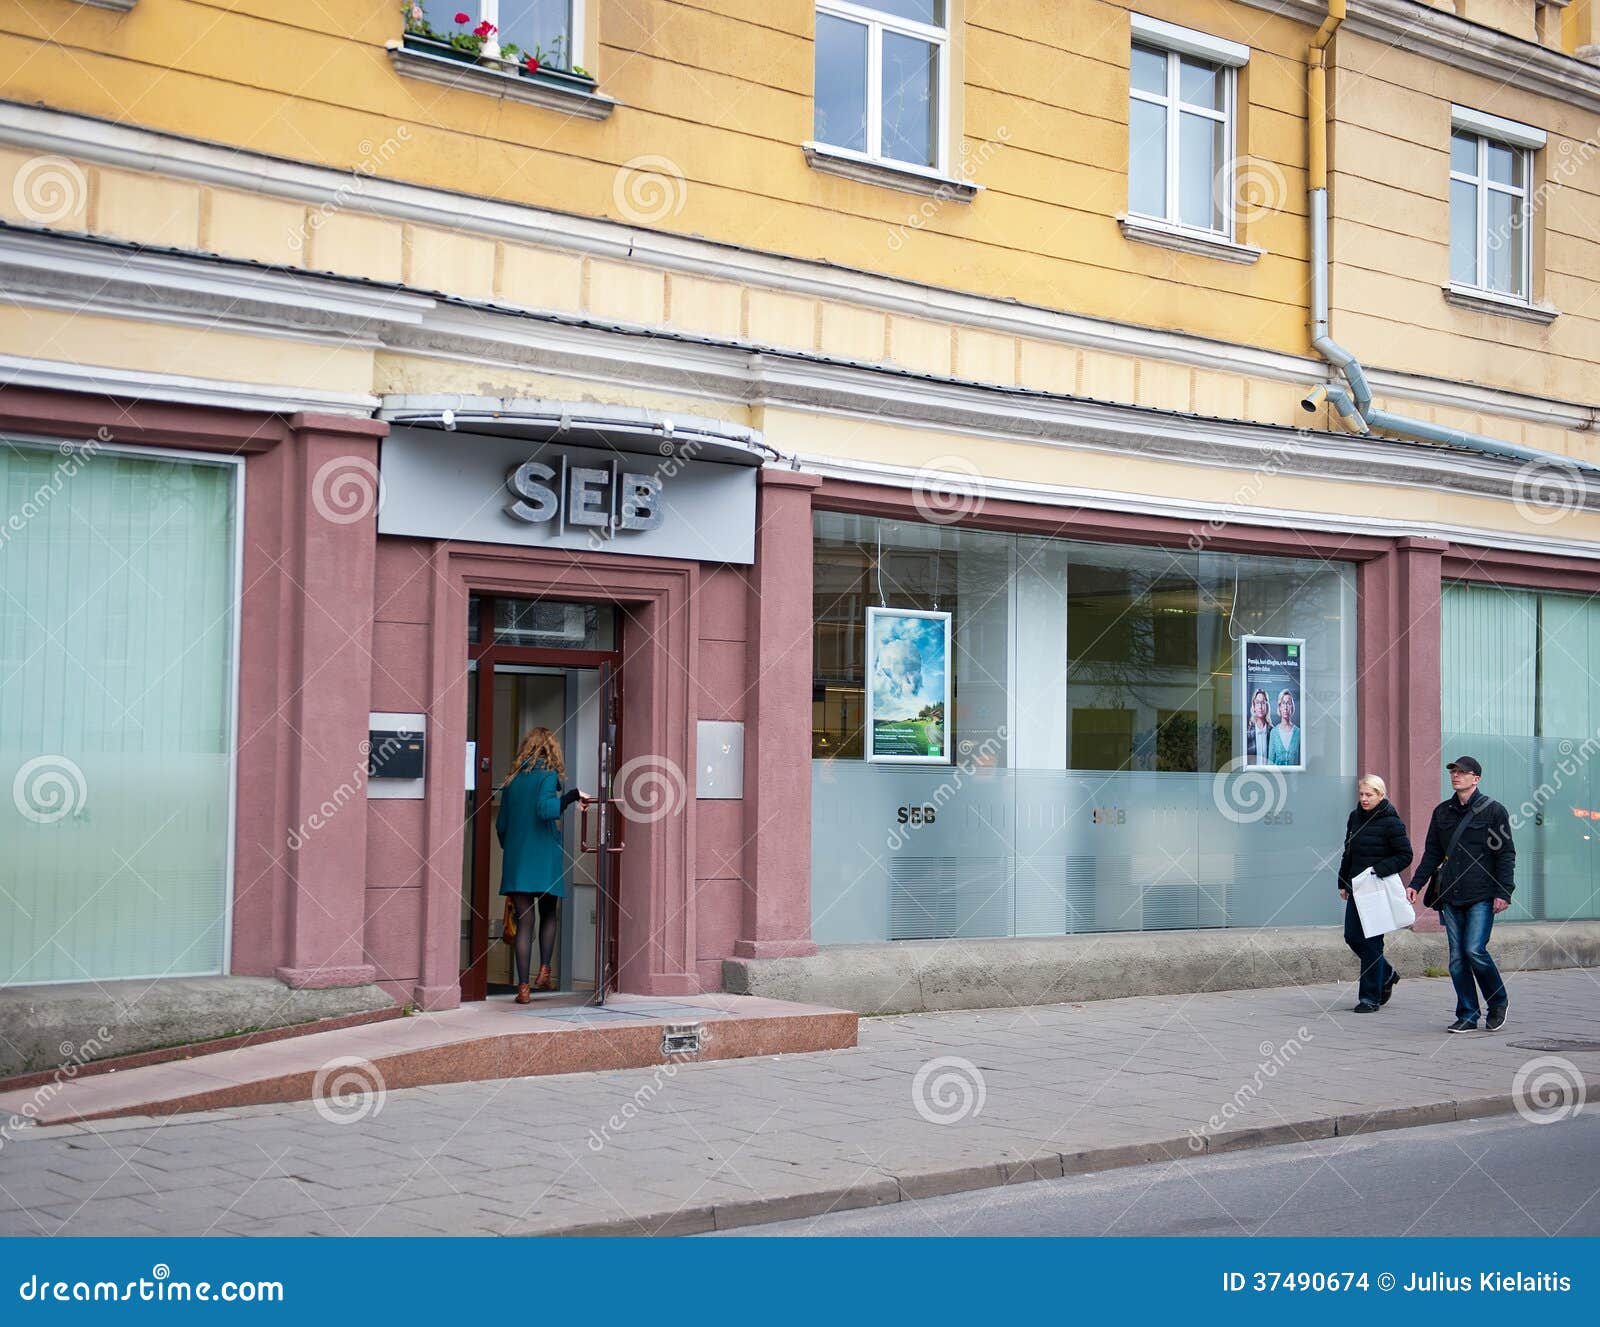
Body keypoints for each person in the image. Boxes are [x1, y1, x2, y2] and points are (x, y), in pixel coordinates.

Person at [1406, 756, 1515, 1033]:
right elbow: (1432, 852)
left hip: (1482, 893)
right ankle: (1467, 1014)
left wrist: (1504, 891)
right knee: (1456, 958)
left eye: (1462, 772)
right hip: (1451, 894)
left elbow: (1505, 854)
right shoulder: (1442, 812)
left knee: (1474, 950)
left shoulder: (1494, 811)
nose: (1456, 776)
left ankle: (1498, 1001)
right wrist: (1415, 884)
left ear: (1475, 779)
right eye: (1453, 772)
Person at [496, 727, 583, 1003]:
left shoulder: (512, 782)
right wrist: (572, 795)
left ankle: (523, 988)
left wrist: (512, 849)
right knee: (549, 914)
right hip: (543, 857)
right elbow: (546, 810)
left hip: (517, 860)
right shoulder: (548, 777)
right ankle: (544, 970)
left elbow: (501, 826)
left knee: (524, 923)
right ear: (551, 751)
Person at [1337, 774, 1413, 1013]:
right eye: (1361, 794)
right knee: (1352, 936)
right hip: (1356, 887)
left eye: (1369, 795)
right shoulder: (1354, 818)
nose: (1364, 799)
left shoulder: (1391, 822)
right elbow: (1348, 851)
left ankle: (1369, 998)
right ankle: (1387, 973)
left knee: (1371, 942)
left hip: (1376, 889)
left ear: (1381, 795)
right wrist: (1342, 880)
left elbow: (1405, 855)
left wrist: (1379, 870)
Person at [1268, 689, 1301, 766]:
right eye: (1283, 703)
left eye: (1288, 703)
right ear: (1279, 707)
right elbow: (1270, 762)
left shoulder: (1298, 733)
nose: (1286, 707)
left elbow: (1300, 761)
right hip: (1277, 777)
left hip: (1295, 777)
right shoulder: (1274, 732)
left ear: (1292, 707)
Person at [1246, 688, 1273, 765]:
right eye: (1257, 703)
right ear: (1254, 706)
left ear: (1267, 706)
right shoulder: (1247, 732)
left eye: (1263, 703)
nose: (1260, 706)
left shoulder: (1273, 732)